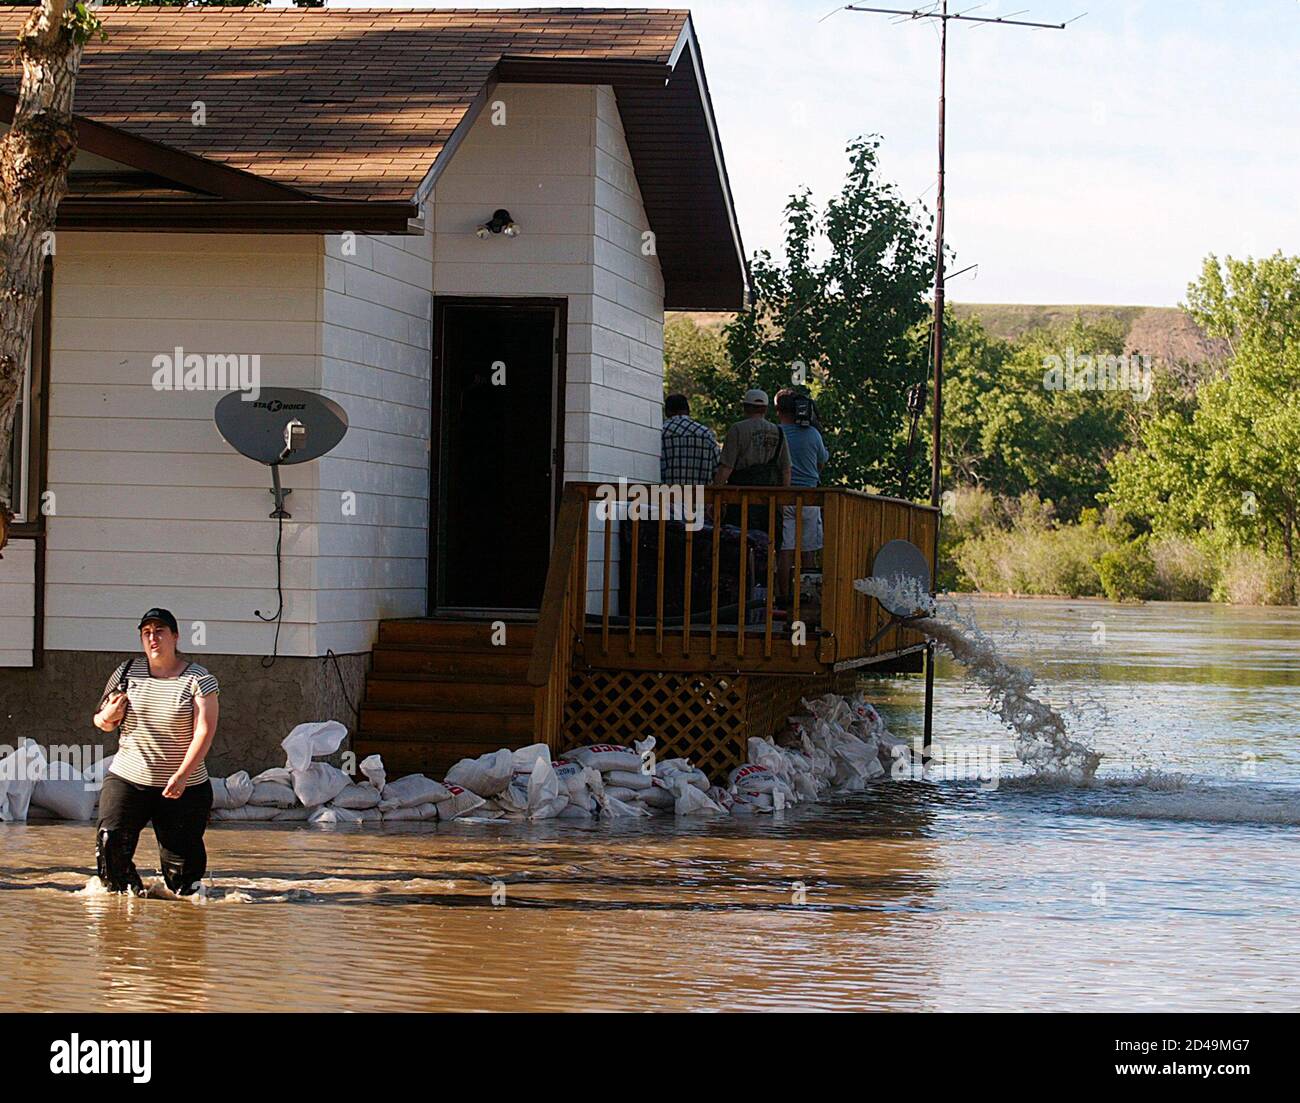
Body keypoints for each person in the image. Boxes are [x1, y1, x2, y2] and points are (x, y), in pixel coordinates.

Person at [92, 608, 219, 896]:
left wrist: (182, 775)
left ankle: (181, 925)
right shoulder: (126, 671)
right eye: (146, 633)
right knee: (110, 845)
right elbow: (100, 722)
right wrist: (109, 714)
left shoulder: (199, 679)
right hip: (128, 777)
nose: (153, 638)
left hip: (183, 786)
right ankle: (127, 908)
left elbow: (204, 731)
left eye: (160, 631)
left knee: (182, 878)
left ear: (175, 636)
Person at [775, 388, 830, 605]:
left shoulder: (778, 432)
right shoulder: (813, 435)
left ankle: (783, 597)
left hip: (784, 497)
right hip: (810, 498)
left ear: (780, 411)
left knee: (785, 549)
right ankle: (807, 598)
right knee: (808, 551)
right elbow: (821, 462)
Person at [660, 393, 720, 486]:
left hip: (667, 496)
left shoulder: (660, 433)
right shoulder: (705, 433)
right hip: (700, 496)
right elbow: (718, 469)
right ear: (688, 410)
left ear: (667, 412)